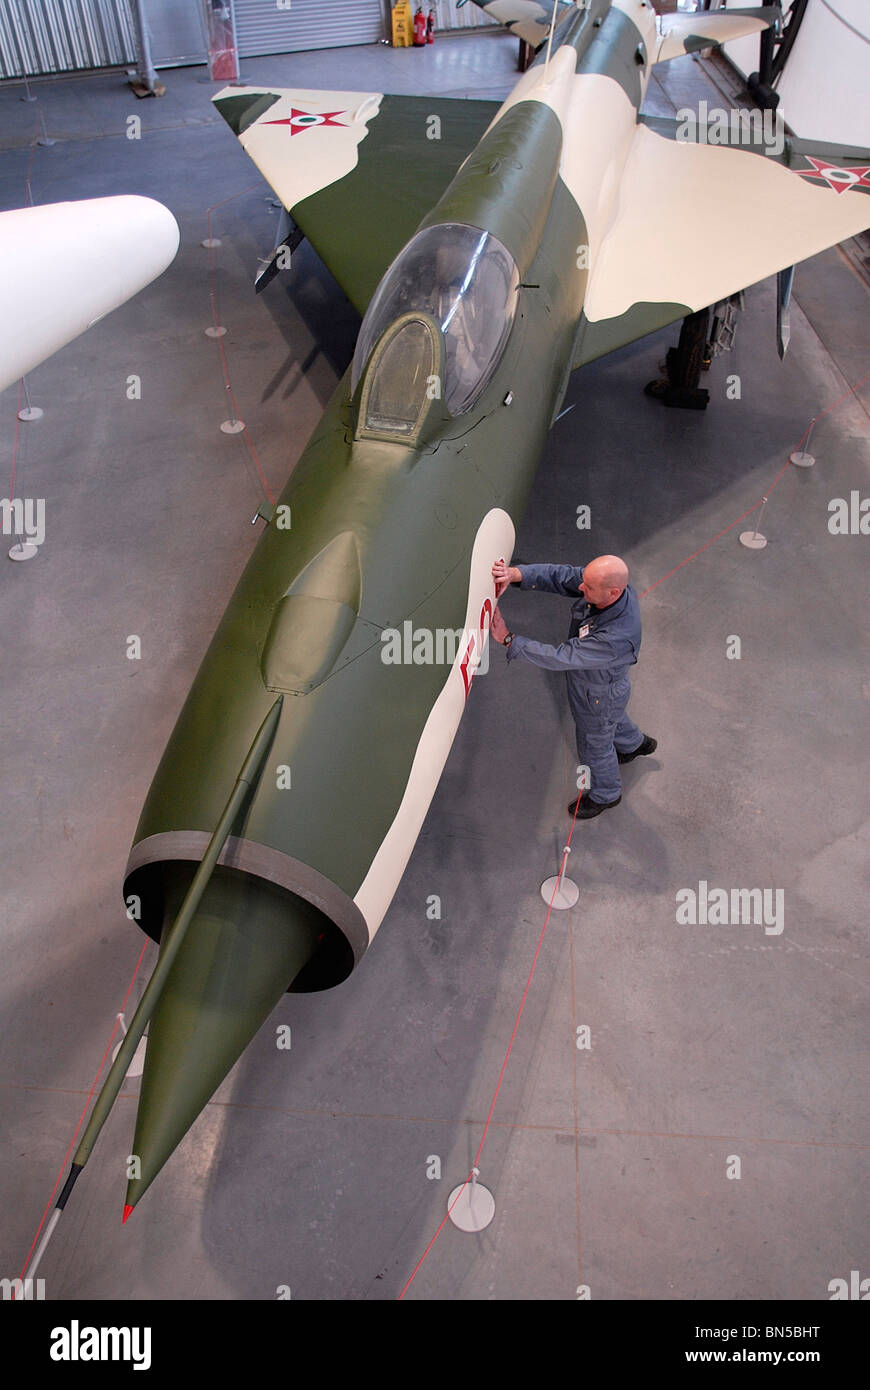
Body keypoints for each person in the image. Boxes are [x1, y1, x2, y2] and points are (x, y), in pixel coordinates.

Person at [490, 554, 656, 818]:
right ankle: (634, 744)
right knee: (610, 718)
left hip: (596, 693)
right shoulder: (611, 587)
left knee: (595, 743)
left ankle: (607, 793)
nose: (581, 588)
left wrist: (509, 639)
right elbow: (565, 575)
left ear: (613, 592)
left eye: (588, 588)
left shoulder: (614, 638)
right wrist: (517, 574)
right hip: (608, 686)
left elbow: (560, 657)